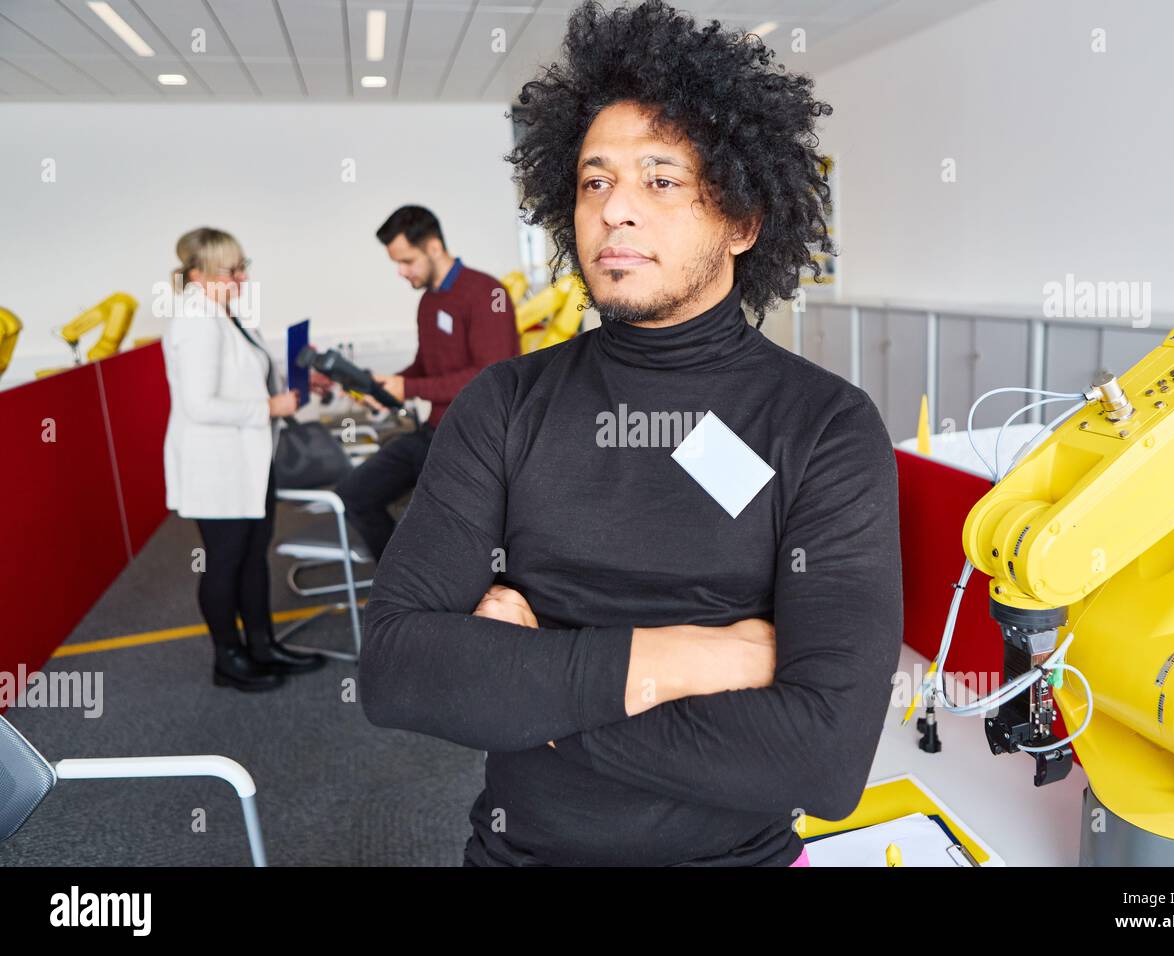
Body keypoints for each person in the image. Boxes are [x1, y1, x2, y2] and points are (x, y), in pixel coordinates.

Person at [359, 0, 903, 866]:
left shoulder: (826, 428)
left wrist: (534, 697)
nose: (616, 210)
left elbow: (823, 757)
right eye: (594, 180)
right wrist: (694, 658)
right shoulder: (505, 403)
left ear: (743, 220)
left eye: (661, 179)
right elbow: (395, 669)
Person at [162, 227, 326, 691]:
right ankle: (227, 659)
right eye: (229, 270)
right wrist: (269, 408)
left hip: (250, 460)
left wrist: (288, 391)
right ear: (196, 274)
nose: (240, 278)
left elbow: (247, 381)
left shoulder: (226, 315)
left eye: (241, 266)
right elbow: (199, 405)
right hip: (216, 468)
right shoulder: (196, 319)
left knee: (253, 559)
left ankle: (262, 645)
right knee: (225, 562)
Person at [331, 207, 520, 561]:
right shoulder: (429, 302)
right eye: (397, 264)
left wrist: (410, 388)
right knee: (355, 494)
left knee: (447, 533)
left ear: (433, 247)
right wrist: (385, 387)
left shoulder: (485, 293)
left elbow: (488, 376)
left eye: (407, 261)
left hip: (477, 441)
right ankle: (401, 585)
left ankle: (441, 594)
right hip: (434, 433)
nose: (402, 272)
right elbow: (426, 366)